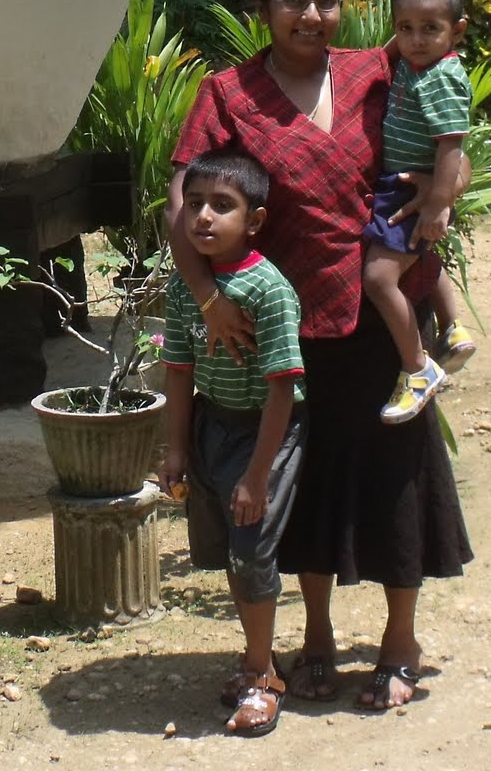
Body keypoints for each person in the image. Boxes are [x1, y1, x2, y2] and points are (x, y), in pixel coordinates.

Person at [167, 0, 472, 714]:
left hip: (379, 313)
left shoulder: (383, 70)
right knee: (298, 488)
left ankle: (399, 641)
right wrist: (208, 297)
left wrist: (435, 193)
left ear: (344, 5)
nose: (310, 13)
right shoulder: (226, 95)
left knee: (396, 474)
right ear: (263, 8)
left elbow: (451, 142)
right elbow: (181, 209)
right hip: (281, 322)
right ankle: (316, 639)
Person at [159, 150, 304, 736]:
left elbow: (282, 393)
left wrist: (256, 476)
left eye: (223, 205)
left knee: (252, 551)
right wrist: (176, 449)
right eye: (194, 204)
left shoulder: (268, 291)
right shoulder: (187, 286)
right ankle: (254, 661)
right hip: (209, 428)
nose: (204, 218)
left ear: (256, 220)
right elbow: (177, 370)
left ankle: (264, 675)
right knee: (229, 554)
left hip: (262, 437)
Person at [362, 0, 477, 424]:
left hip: (411, 191)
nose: (415, 39)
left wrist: (438, 204)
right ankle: (453, 328)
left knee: (378, 278)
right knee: (423, 258)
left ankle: (417, 367)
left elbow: (451, 146)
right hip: (401, 185)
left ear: (457, 31)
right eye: (405, 28)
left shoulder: (441, 79)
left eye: (431, 28)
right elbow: (391, 51)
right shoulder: (415, 64)